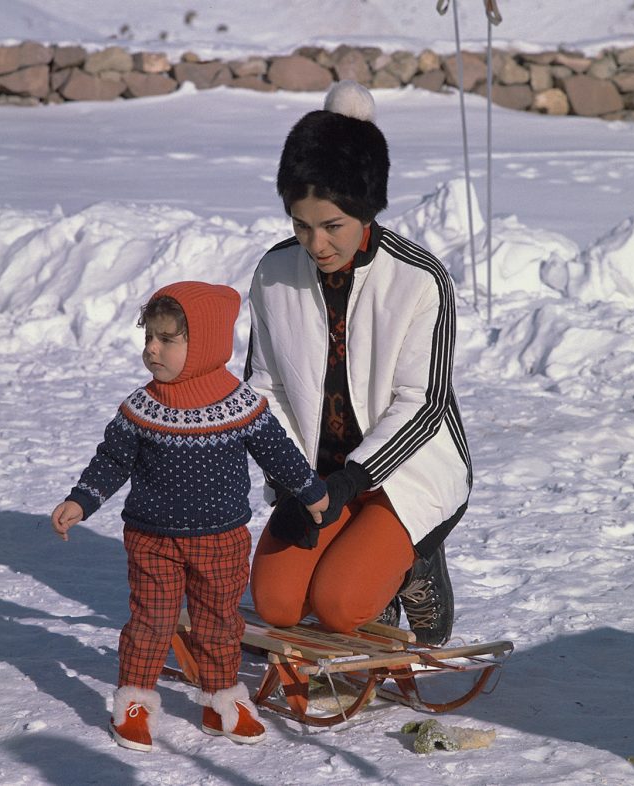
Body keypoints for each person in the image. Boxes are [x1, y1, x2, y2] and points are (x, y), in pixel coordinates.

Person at [51, 281, 328, 751]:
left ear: (203, 344)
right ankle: (134, 700)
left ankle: (222, 700)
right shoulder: (143, 407)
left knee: (219, 622)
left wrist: (310, 491)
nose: (152, 350)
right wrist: (82, 499)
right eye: (148, 339)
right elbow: (114, 459)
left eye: (167, 339)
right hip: (152, 537)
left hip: (222, 539)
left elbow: (277, 451)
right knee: (152, 621)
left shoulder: (239, 404)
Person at [245, 81, 471, 646]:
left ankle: (415, 566)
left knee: (340, 605)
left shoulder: (420, 279)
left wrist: (352, 481)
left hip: (400, 474)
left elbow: (424, 404)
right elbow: (263, 389)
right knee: (276, 604)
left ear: (364, 211)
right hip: (318, 477)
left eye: (331, 226)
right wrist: (292, 479)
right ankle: (362, 556)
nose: (315, 243)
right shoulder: (274, 274)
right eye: (301, 224)